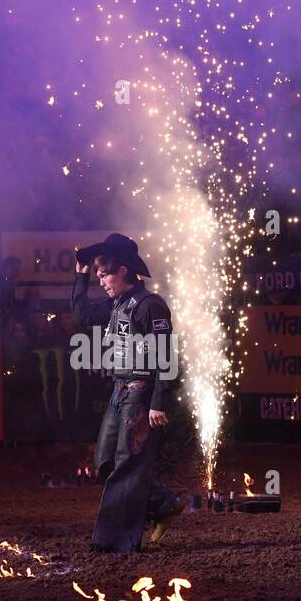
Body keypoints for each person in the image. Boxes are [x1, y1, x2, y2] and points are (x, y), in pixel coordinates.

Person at [70, 232, 184, 552]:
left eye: (104, 274)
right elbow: (82, 317)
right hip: (119, 392)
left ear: (123, 271)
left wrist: (158, 402)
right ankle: (163, 504)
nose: (101, 281)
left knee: (126, 462)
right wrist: (80, 277)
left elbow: (166, 354)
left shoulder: (150, 306)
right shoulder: (116, 305)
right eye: (97, 275)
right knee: (106, 460)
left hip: (140, 392)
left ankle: (113, 542)